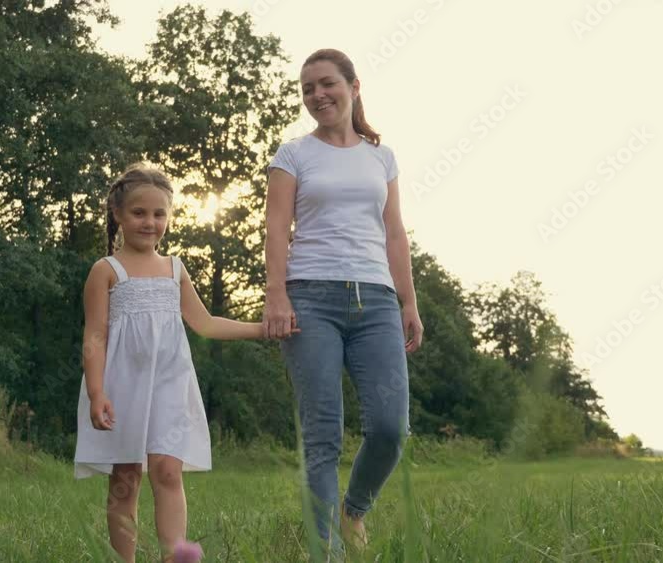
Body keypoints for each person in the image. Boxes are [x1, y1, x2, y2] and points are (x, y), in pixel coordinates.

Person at [74, 163, 292, 563]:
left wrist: (263, 329)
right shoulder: (105, 271)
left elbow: (205, 323)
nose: (150, 222)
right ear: (118, 214)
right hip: (122, 386)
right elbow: (95, 336)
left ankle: (176, 557)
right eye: (139, 213)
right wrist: (96, 391)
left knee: (168, 472)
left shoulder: (175, 269)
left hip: (170, 385)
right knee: (126, 478)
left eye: (159, 214)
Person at [263, 48, 424, 555]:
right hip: (310, 299)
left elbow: (394, 233)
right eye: (307, 88)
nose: (317, 95)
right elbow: (275, 229)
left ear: (354, 87)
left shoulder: (382, 157)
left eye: (327, 83)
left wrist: (409, 302)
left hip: (376, 300)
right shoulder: (293, 154)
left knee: (391, 427)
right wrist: (276, 294)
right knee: (322, 434)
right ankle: (326, 551)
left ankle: (355, 509)